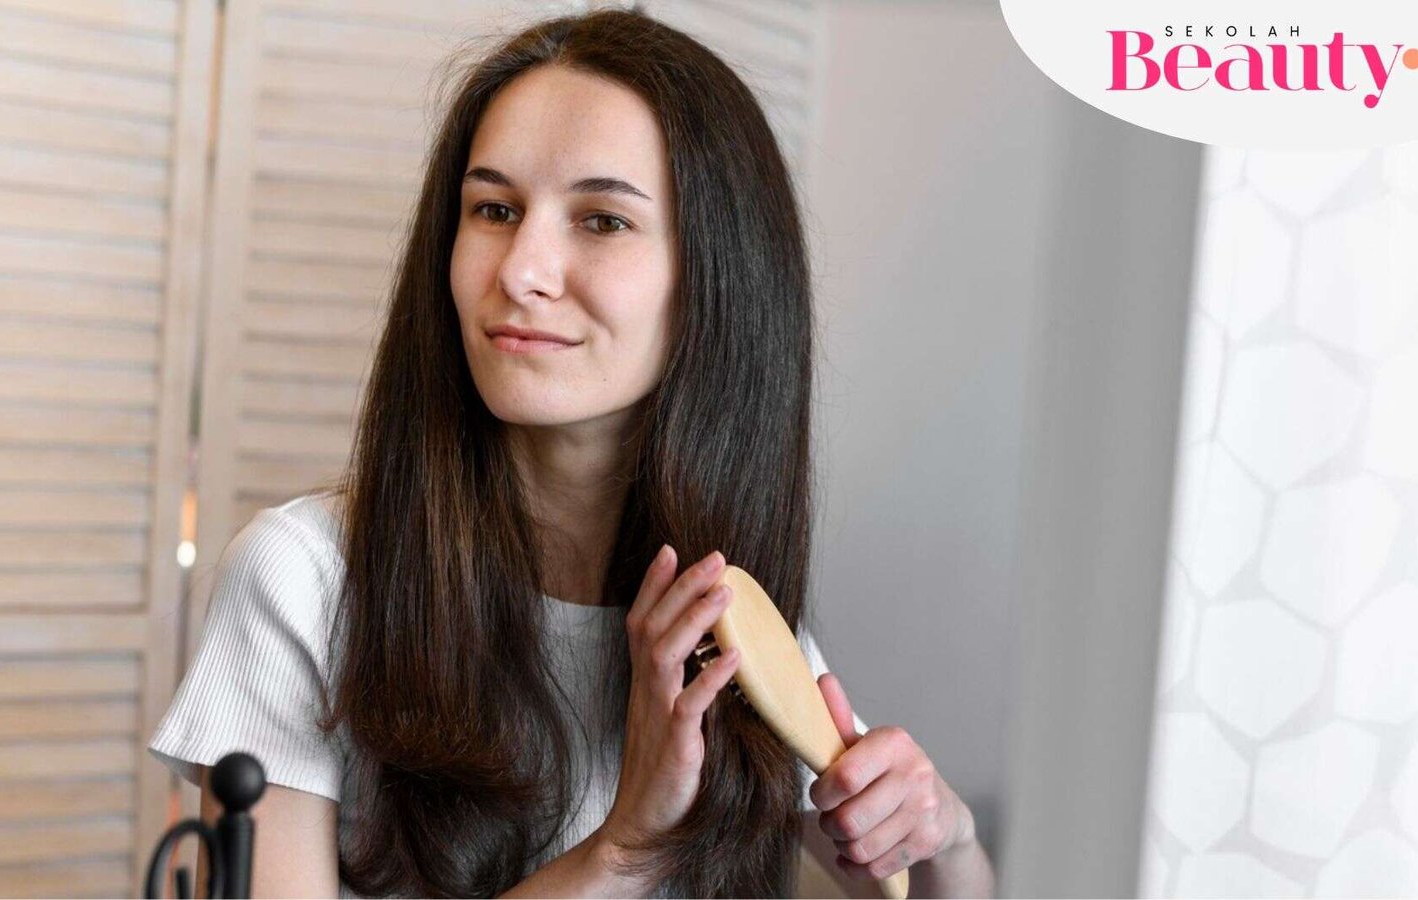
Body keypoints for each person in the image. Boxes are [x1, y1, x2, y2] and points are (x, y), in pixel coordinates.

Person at [149, 7, 994, 898]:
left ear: (718, 280)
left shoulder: (721, 624)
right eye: (494, 209)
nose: (520, 270)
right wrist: (627, 848)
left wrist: (947, 834)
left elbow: (920, 882)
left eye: (601, 221)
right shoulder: (305, 582)